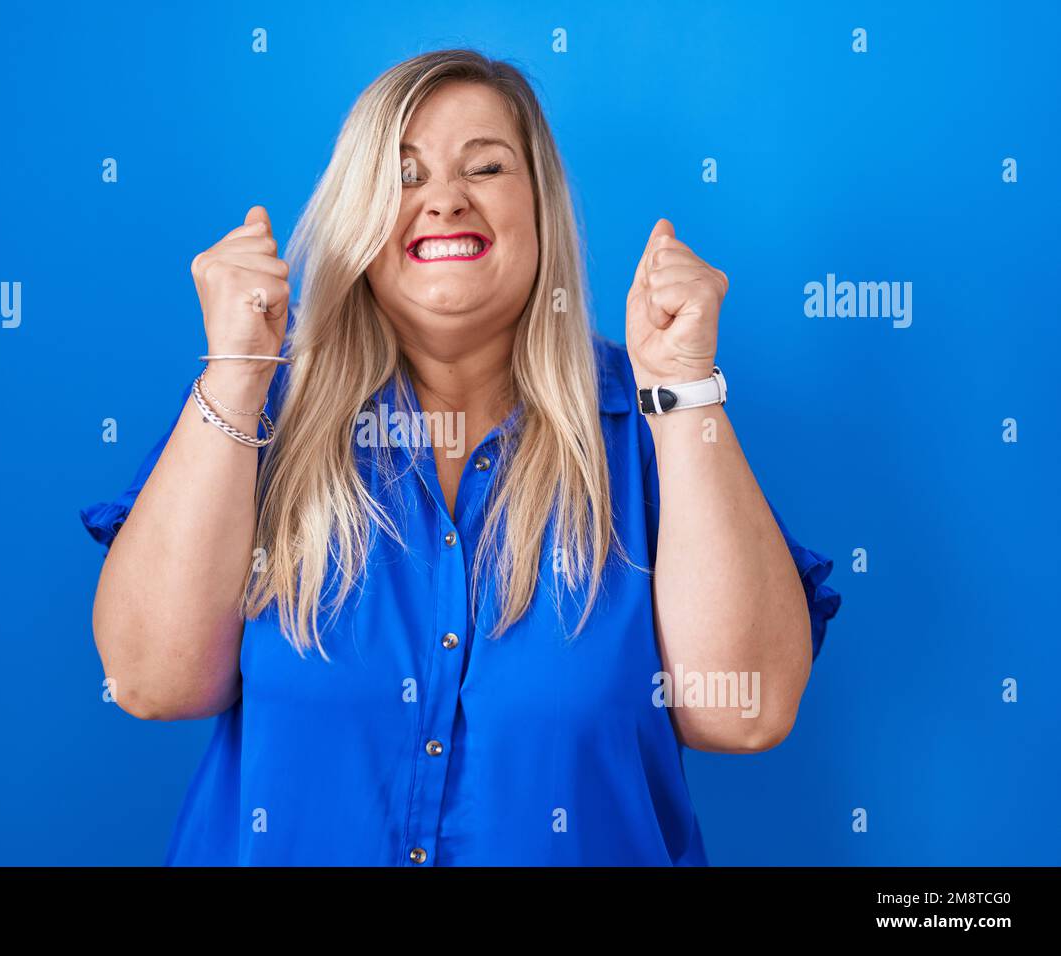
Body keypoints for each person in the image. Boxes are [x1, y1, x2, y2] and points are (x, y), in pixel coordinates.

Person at [81, 49, 841, 866]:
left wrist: (686, 389)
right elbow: (152, 682)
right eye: (403, 175)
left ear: (540, 210)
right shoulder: (257, 411)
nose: (444, 200)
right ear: (358, 222)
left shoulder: (652, 423)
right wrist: (234, 368)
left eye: (485, 166)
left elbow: (745, 712)